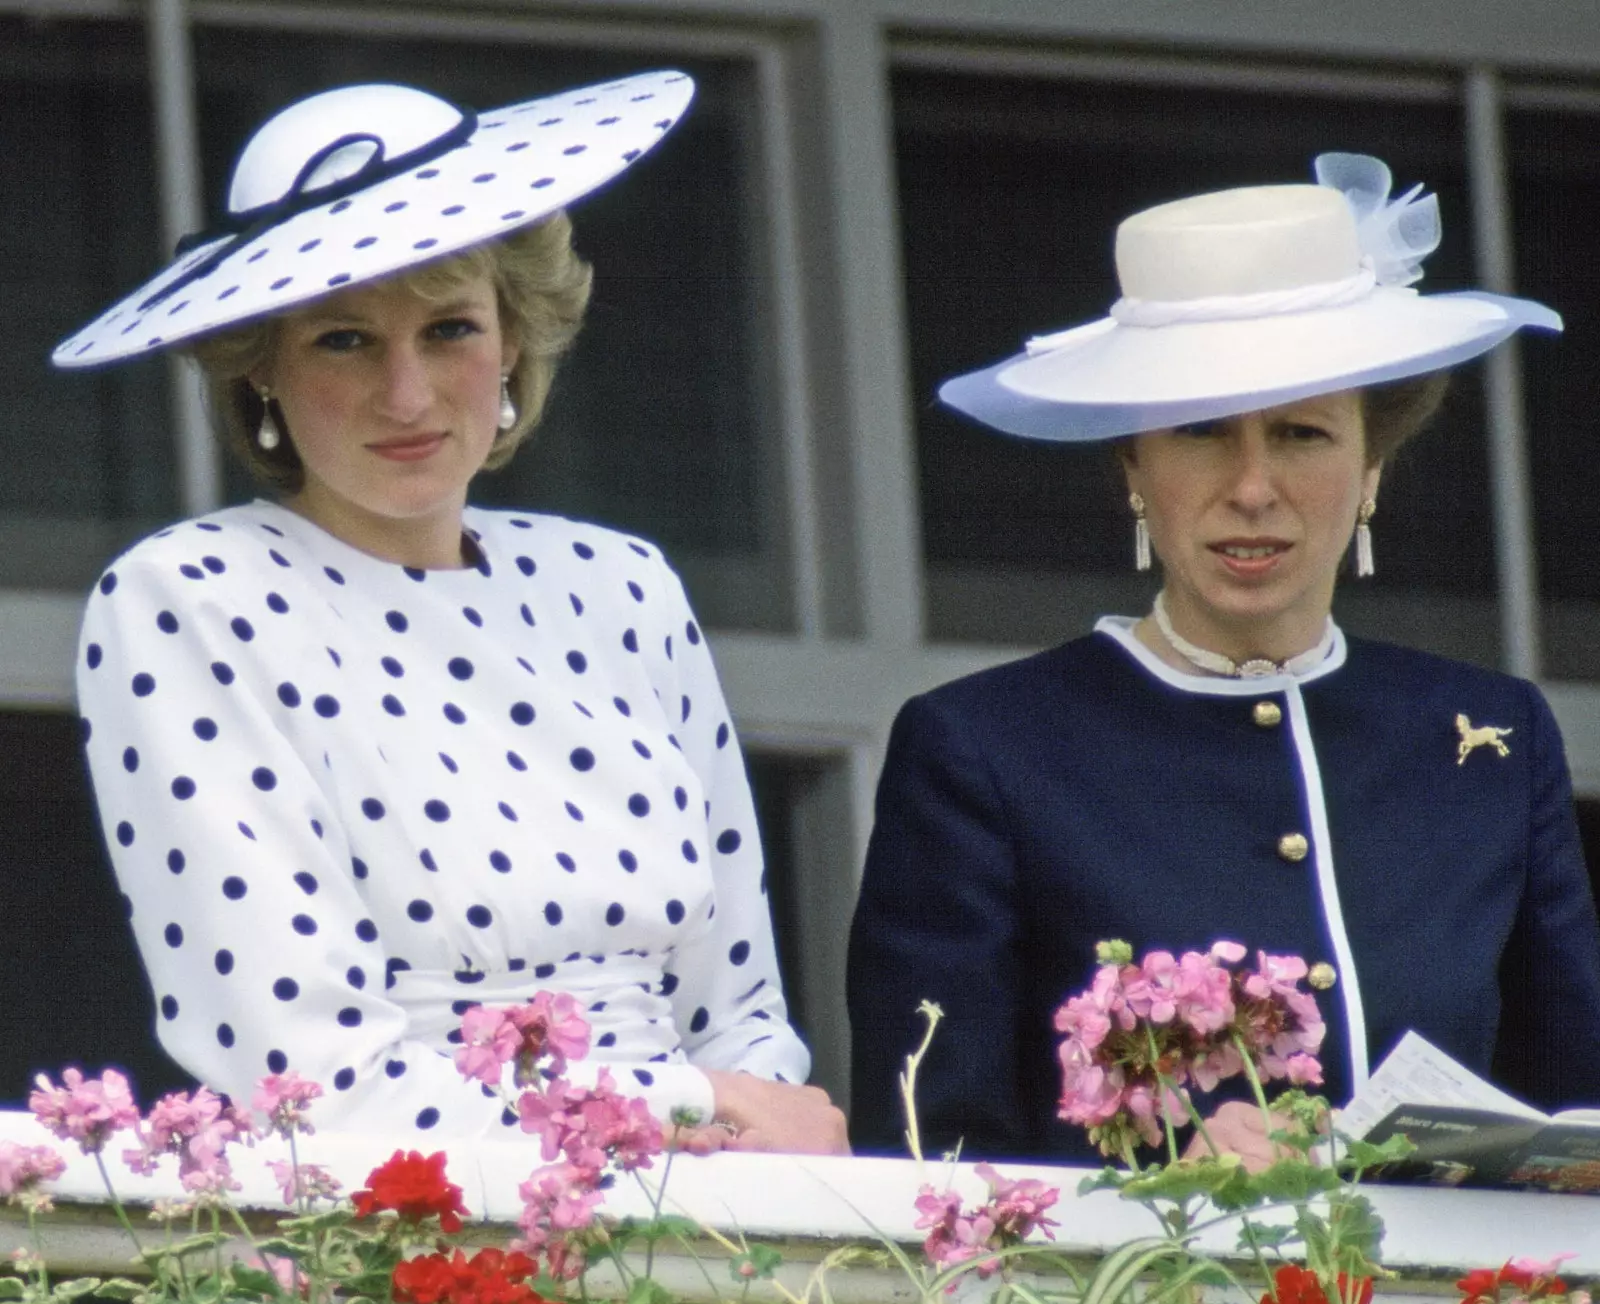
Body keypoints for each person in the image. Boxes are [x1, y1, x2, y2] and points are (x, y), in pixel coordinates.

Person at [63, 72, 845, 1154]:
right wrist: (687, 1111)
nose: (408, 392)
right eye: (343, 338)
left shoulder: (624, 583)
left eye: (448, 329)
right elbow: (305, 1071)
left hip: (707, 1223)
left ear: (515, 340)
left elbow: (739, 1013)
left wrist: (740, 1158)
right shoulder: (190, 597)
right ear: (261, 372)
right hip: (415, 1237)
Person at [847, 153, 1600, 1164]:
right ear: (1132, 465)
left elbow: (1576, 1108)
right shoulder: (983, 749)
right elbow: (923, 1155)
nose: (1252, 486)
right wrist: (1166, 1194)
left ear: (1370, 465)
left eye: (1300, 434)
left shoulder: (1487, 737)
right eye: (1201, 433)